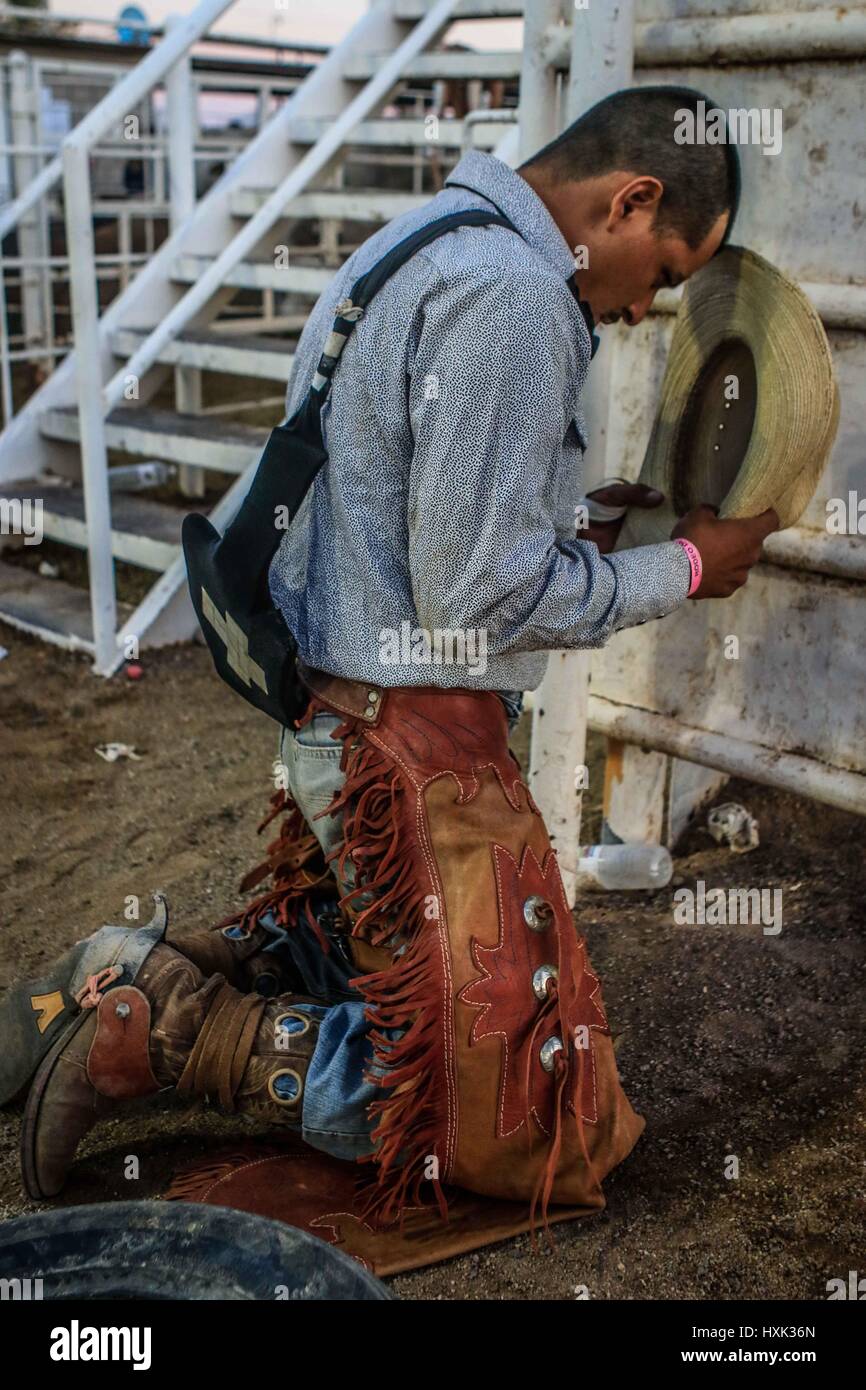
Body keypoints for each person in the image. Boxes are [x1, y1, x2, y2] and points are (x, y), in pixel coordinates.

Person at [2, 88, 777, 1225]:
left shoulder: (421, 240)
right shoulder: (514, 299)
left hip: (345, 718)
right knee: (538, 1121)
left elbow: (400, 505)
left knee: (382, 958)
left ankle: (133, 957)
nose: (637, 308)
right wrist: (690, 567)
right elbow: (476, 594)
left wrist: (565, 532)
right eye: (661, 273)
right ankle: (164, 1027)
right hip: (405, 752)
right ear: (630, 200)